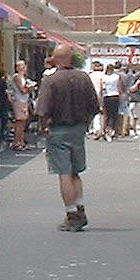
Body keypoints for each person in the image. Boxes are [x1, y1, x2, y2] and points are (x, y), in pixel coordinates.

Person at [36, 44, 101, 232]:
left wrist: (43, 128)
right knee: (76, 171)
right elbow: (94, 106)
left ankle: (71, 214)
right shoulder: (83, 77)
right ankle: (80, 207)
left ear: (56, 59)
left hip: (58, 129)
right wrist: (86, 124)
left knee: (63, 172)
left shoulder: (51, 80)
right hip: (78, 129)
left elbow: (43, 109)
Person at [8, 60, 34, 151]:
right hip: (19, 101)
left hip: (24, 101)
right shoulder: (16, 77)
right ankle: (17, 142)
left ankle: (21, 142)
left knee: (23, 123)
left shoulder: (24, 77)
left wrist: (29, 88)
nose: (22, 68)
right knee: (19, 123)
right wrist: (28, 87)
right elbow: (22, 90)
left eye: (23, 66)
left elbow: (28, 91)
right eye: (20, 66)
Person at [97, 62, 121, 141]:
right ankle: (113, 130)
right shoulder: (117, 77)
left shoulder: (103, 78)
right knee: (114, 115)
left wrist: (100, 98)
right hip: (115, 95)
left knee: (106, 114)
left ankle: (105, 130)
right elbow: (119, 87)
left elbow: (101, 88)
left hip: (107, 96)